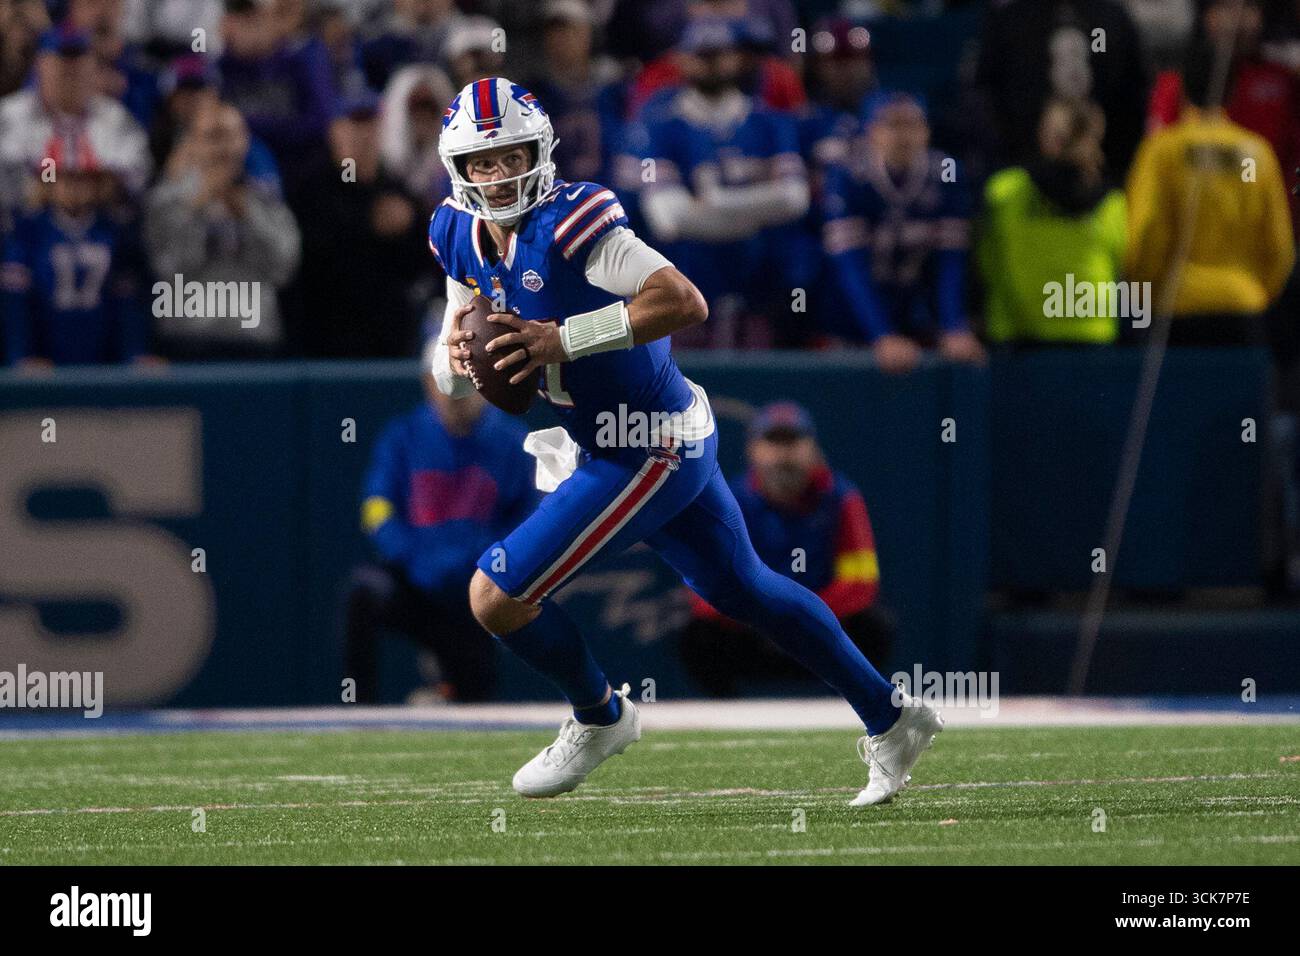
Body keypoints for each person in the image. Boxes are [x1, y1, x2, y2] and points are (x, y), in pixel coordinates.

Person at [429, 76, 941, 805]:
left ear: (539, 153)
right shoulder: (454, 231)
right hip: (616, 439)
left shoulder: (573, 223)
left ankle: (600, 715)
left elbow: (683, 300)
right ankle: (893, 722)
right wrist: (451, 366)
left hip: (647, 444)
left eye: (512, 156)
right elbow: (456, 354)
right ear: (460, 170)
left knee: (495, 596)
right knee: (748, 590)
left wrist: (560, 340)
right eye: (484, 163)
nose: (500, 175)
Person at [344, 342, 537, 704]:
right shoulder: (403, 436)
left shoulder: (512, 441)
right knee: (363, 593)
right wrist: (410, 553)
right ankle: (360, 709)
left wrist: (485, 560)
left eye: (464, 382)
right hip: (415, 580)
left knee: (474, 692)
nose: (454, 395)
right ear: (427, 384)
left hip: (477, 588)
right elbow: (376, 507)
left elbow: (530, 518)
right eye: (444, 382)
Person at [680, 402, 893, 695]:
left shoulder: (842, 498)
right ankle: (725, 714)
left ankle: (858, 706)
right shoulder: (728, 500)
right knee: (698, 636)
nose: (783, 454)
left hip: (820, 634)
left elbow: (861, 584)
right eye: (773, 442)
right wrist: (766, 619)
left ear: (813, 448)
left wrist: (802, 618)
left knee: (874, 627)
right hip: (751, 635)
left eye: (793, 441)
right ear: (753, 449)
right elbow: (704, 591)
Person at [1126, 42, 1295, 345]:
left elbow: (1147, 235)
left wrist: (1146, 294)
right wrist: (1254, 289)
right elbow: (1280, 248)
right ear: (1233, 91)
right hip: (1244, 309)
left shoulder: (1163, 151)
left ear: (1182, 88)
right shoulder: (1256, 154)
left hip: (1178, 310)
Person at [822, 91, 983, 372]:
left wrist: (953, 325)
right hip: (849, 316)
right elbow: (851, 268)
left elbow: (950, 262)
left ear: (926, 131)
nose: (903, 135)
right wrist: (882, 334)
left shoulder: (945, 175)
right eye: (892, 124)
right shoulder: (850, 177)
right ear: (872, 132)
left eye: (912, 124)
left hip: (916, 310)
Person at [143, 100, 301, 358]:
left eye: (231, 137)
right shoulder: (166, 199)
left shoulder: (265, 198)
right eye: (212, 137)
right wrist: (198, 206)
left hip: (254, 339)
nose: (223, 148)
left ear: (245, 142)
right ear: (192, 144)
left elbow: (283, 268)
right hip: (185, 340)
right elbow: (167, 265)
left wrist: (247, 215)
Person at [979, 97, 1127, 345]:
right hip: (1089, 330)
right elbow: (1122, 266)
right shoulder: (1113, 203)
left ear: (1048, 137)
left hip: (1019, 337)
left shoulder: (1004, 190)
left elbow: (986, 261)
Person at [2, 148, 149, 368]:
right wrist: (20, 355)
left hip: (101, 354)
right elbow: (16, 304)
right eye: (64, 178)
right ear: (49, 182)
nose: (73, 187)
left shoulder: (115, 232)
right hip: (45, 357)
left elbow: (126, 304)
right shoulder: (28, 233)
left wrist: (133, 353)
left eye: (82, 179)